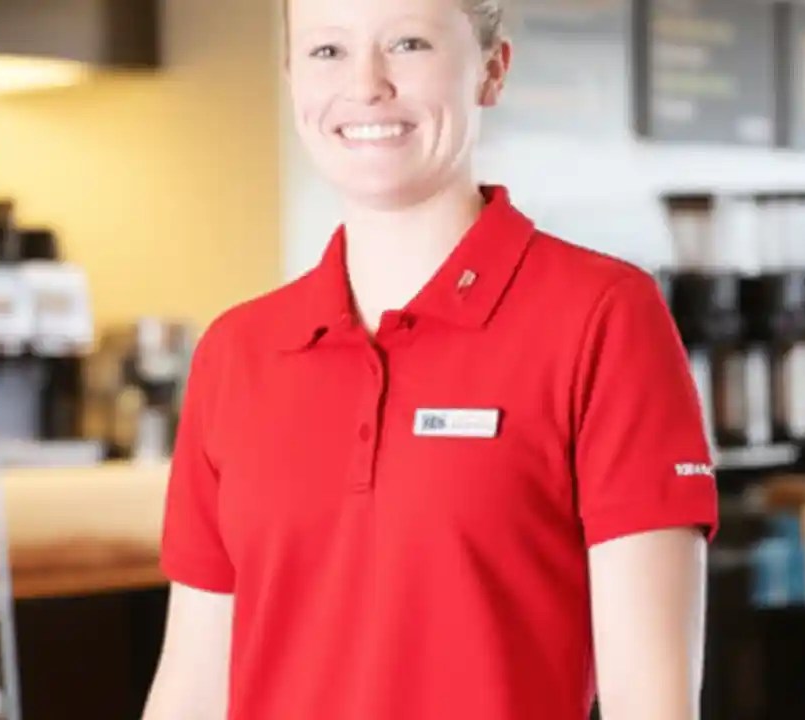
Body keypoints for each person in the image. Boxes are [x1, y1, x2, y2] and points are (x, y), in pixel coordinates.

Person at [141, 0, 718, 717]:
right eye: (327, 51)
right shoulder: (237, 351)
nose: (366, 84)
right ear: (291, 77)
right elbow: (193, 686)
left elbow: (651, 705)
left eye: (409, 44)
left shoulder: (603, 317)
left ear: (492, 70)